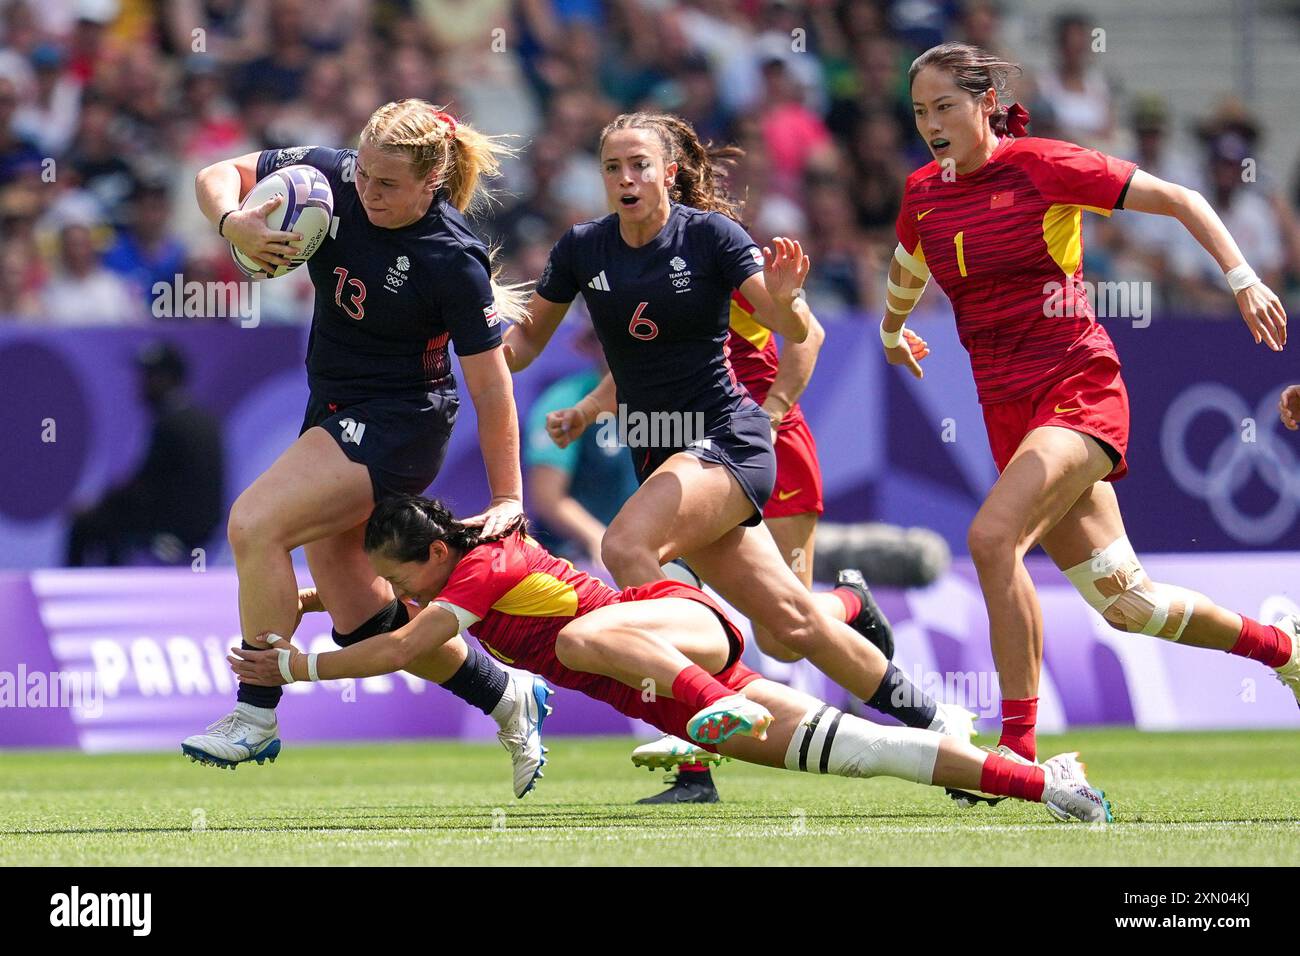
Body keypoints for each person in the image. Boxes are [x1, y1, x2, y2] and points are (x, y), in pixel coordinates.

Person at [504, 111, 974, 783]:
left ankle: (707, 698)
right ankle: (941, 726)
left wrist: (782, 312)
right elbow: (520, 349)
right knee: (793, 622)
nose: (626, 178)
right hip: (663, 455)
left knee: (626, 545)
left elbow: (796, 327)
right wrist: (464, 333)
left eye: (639, 165)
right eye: (612, 167)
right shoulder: (582, 249)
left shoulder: (713, 237)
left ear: (668, 172)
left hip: (730, 438)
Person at [883, 44, 1299, 799]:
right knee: (1128, 604)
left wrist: (1241, 278)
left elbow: (1181, 200)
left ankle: (1016, 749)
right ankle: (1284, 649)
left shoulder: (1045, 165)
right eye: (919, 112)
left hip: (1077, 387)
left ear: (984, 103)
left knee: (989, 539)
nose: (932, 124)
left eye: (945, 106)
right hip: (1004, 409)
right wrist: (889, 329)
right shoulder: (922, 193)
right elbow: (908, 268)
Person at [228, 496, 1114, 825]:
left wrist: (296, 674)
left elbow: (410, 642)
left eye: (390, 574)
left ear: (422, 556)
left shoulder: (484, 565)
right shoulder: (455, 573)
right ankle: (1050, 785)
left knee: (574, 641)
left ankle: (708, 714)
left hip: (674, 628)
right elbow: (406, 617)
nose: (386, 587)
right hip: (671, 688)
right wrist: (300, 606)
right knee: (870, 754)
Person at [183, 99, 549, 799]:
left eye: (387, 185)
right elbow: (217, 173)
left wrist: (508, 497)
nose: (367, 194)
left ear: (431, 180)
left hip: (401, 422)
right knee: (364, 622)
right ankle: (508, 696)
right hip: (335, 409)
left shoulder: (451, 259)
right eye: (365, 176)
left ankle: (255, 714)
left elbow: (495, 391)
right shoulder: (332, 176)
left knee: (256, 523)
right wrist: (234, 222)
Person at [633, 288, 892, 804]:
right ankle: (693, 772)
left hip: (768, 449)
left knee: (781, 638)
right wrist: (586, 410)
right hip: (692, 455)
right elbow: (630, 365)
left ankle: (850, 603)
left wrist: (770, 413)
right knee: (674, 595)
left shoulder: (721, 259)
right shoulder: (639, 271)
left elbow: (809, 333)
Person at [66, 341, 223, 566]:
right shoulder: (203, 419)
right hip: (201, 526)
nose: (140, 384)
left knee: (88, 524)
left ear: (168, 378)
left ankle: (90, 591)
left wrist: (98, 504)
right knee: (112, 519)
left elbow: (145, 488)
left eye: (149, 376)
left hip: (175, 528)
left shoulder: (171, 425)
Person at [523, 319, 639, 567]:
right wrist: (599, 539)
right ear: (591, 344)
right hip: (578, 558)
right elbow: (548, 497)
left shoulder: (666, 400)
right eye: (608, 337)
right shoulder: (563, 401)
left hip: (651, 547)